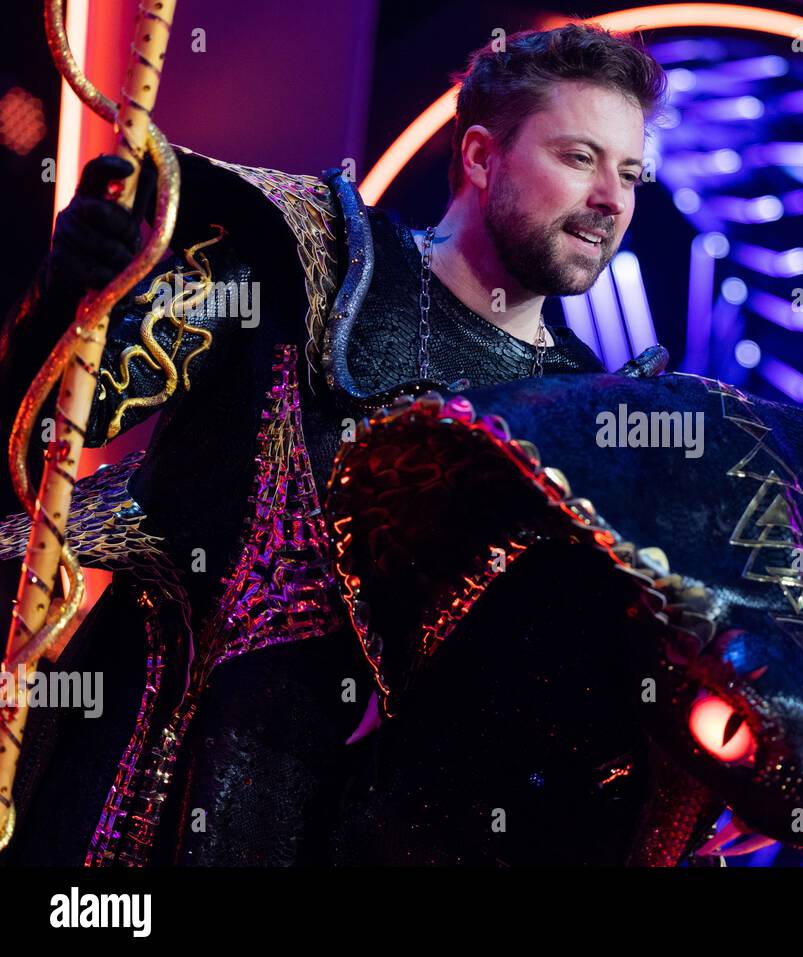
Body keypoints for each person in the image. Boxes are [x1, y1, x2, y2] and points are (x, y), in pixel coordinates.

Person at [0, 22, 672, 865]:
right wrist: (69, 300)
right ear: (478, 155)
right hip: (128, 806)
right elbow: (40, 442)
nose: (612, 197)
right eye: (580, 158)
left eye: (631, 173)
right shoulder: (308, 264)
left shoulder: (589, 427)